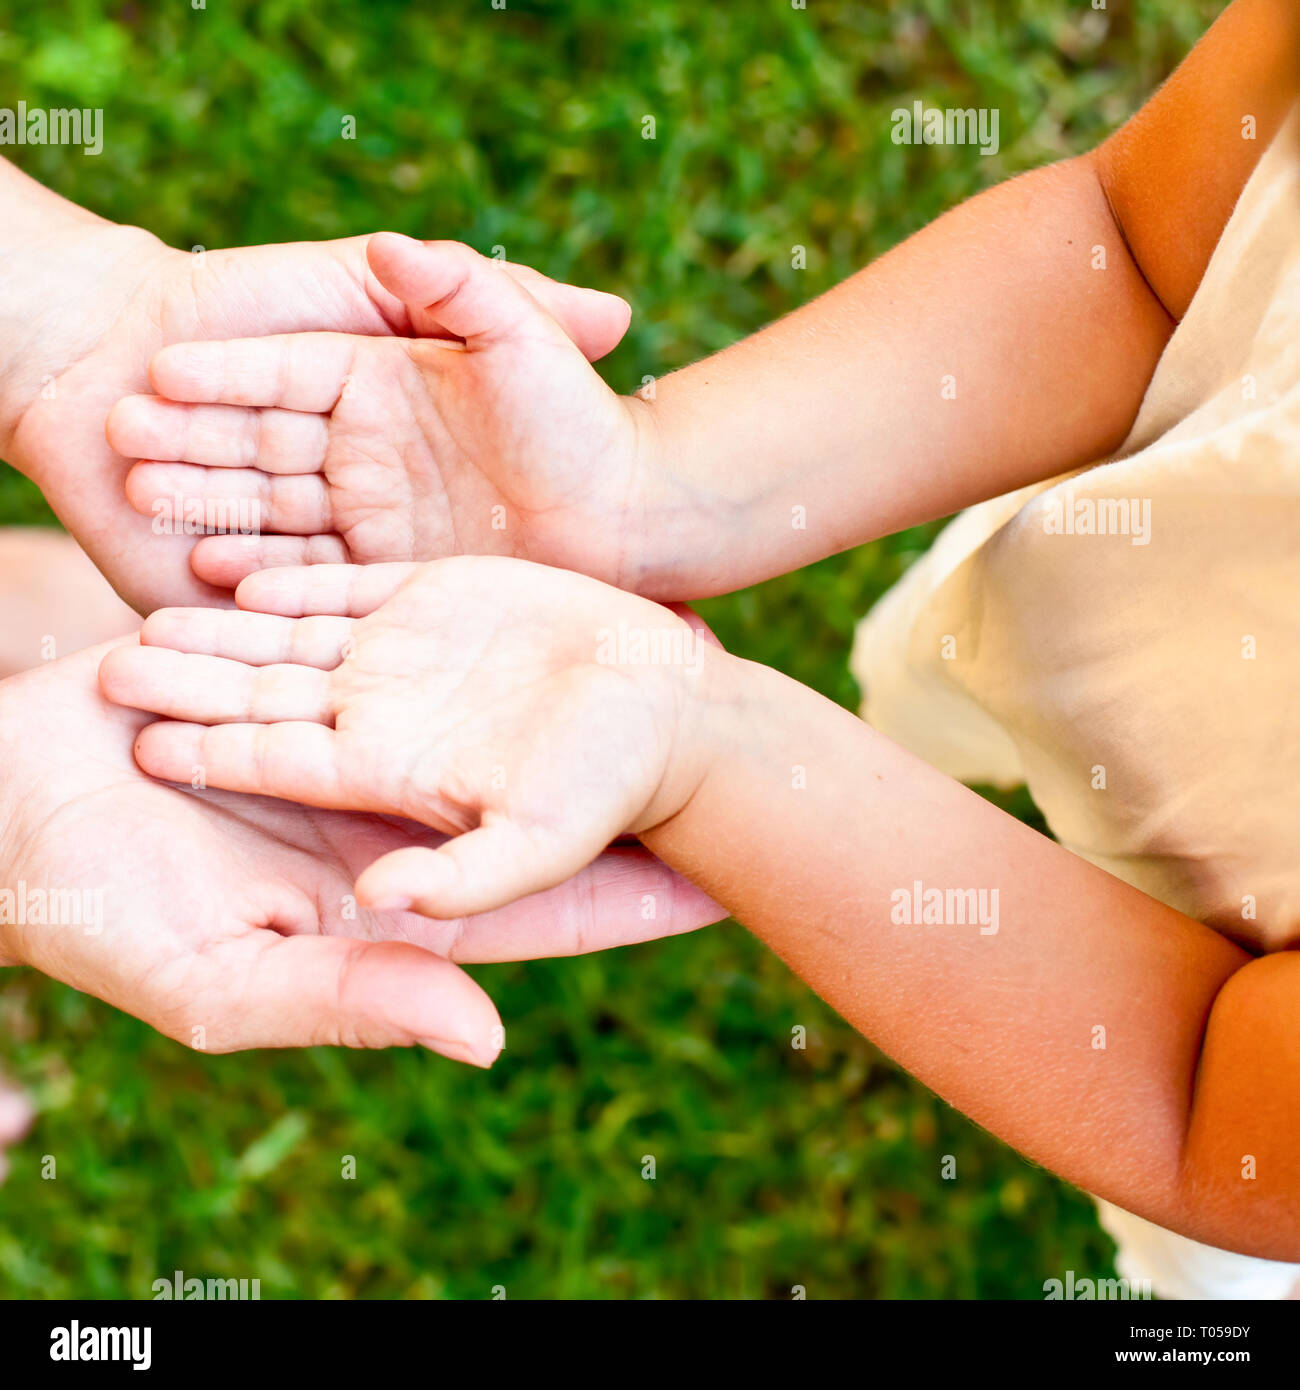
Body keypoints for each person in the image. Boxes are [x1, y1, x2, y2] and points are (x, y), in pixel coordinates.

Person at [102, 0, 1300, 1297]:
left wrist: (708, 747)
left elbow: (1195, 1090)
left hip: (1225, 1067)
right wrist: (654, 490)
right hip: (1096, 608)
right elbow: (1137, 254)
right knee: (959, 692)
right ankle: (946, 752)